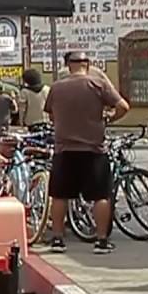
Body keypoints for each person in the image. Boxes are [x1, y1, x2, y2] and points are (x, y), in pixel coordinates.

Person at [45, 51, 129, 255]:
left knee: (59, 195)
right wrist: (107, 119)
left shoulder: (57, 87)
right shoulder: (98, 84)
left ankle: (57, 239)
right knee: (100, 196)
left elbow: (50, 113)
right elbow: (123, 106)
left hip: (64, 149)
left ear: (68, 66)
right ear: (87, 65)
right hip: (93, 149)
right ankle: (101, 241)